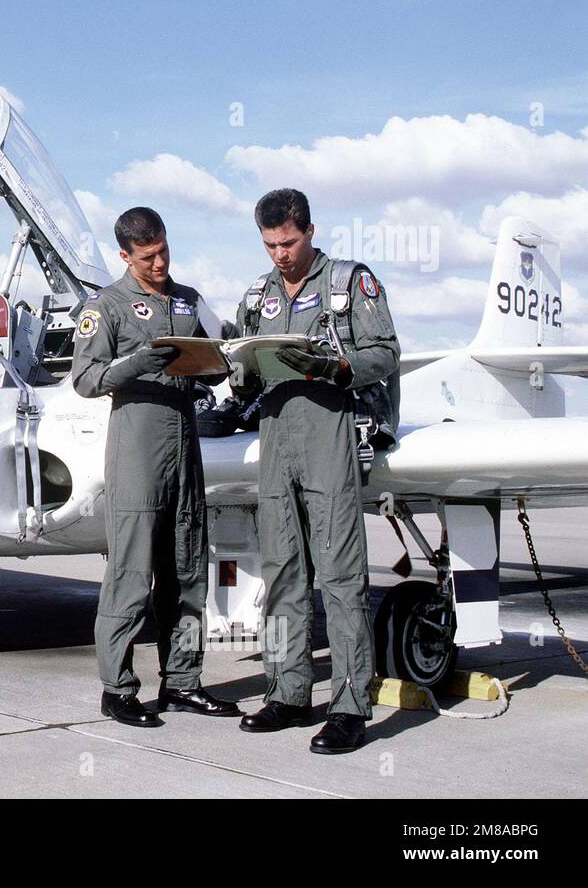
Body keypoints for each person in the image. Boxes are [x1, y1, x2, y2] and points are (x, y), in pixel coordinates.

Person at [231, 188, 400, 754]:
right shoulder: (258, 296)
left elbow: (386, 353)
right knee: (282, 572)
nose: (280, 254)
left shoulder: (350, 284)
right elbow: (241, 365)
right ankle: (289, 693)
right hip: (276, 437)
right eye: (270, 244)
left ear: (309, 230)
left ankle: (351, 705)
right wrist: (233, 370)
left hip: (332, 431)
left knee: (341, 575)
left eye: (289, 241)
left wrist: (337, 364)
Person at [72, 206, 240, 727]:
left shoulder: (188, 300)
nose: (160, 263)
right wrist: (135, 363)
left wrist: (219, 365)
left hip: (186, 448)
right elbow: (85, 377)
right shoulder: (107, 307)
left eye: (164, 250)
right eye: (148, 257)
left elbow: (220, 356)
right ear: (125, 255)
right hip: (137, 452)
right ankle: (117, 688)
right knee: (130, 574)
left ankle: (183, 683)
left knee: (188, 570)